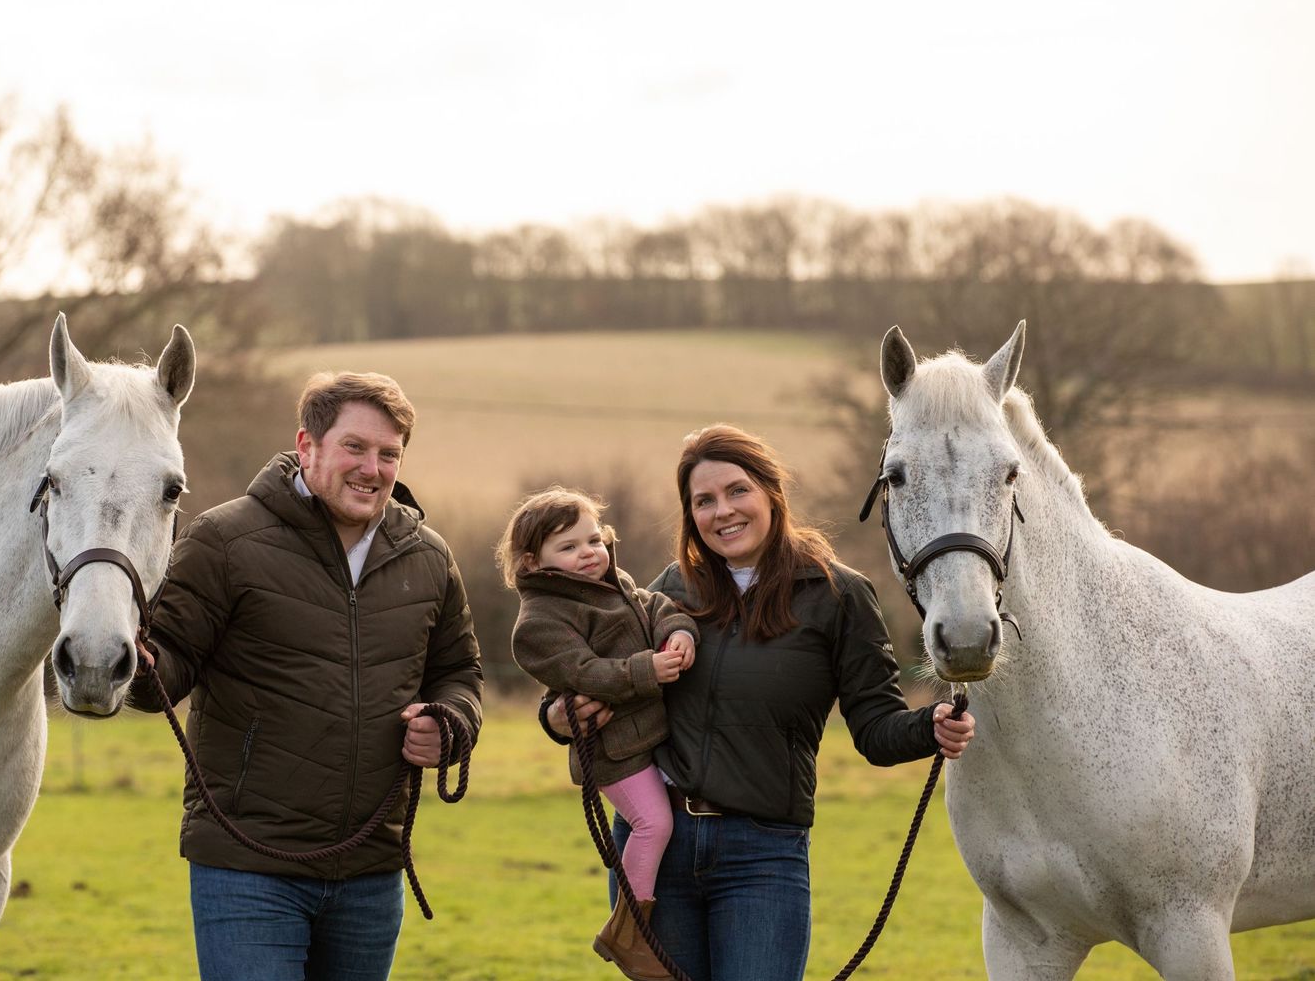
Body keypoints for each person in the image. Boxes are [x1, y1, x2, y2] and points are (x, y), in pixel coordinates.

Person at [543, 424, 976, 981]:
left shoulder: (838, 595)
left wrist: (929, 727)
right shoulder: (670, 589)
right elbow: (591, 673)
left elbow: (875, 726)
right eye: (704, 501)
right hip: (658, 847)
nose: (723, 511)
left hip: (763, 857)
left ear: (772, 491)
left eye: (737, 490)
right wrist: (558, 717)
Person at [128, 371, 484, 981]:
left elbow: (458, 672)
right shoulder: (224, 540)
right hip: (247, 865)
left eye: (389, 453)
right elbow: (163, 671)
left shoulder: (428, 557)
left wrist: (450, 724)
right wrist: (127, 656)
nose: (373, 468)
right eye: (355, 447)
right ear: (307, 445)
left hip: (372, 869)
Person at [497, 486, 698, 978]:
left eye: (593, 540)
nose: (588, 554)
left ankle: (633, 928)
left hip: (652, 739)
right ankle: (628, 932)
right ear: (532, 561)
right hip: (616, 752)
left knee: (662, 821)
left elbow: (654, 605)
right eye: (568, 548)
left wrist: (679, 631)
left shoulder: (614, 580)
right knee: (654, 825)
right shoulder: (538, 623)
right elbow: (585, 673)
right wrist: (646, 670)